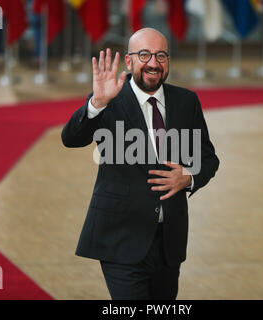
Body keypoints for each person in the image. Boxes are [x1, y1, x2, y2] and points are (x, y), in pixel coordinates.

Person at [61, 28, 219, 300]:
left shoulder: (186, 102)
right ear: (129, 61)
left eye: (161, 55)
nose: (154, 63)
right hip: (120, 237)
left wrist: (189, 178)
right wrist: (96, 103)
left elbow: (208, 159)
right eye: (145, 54)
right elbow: (71, 138)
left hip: (169, 240)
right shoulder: (110, 99)